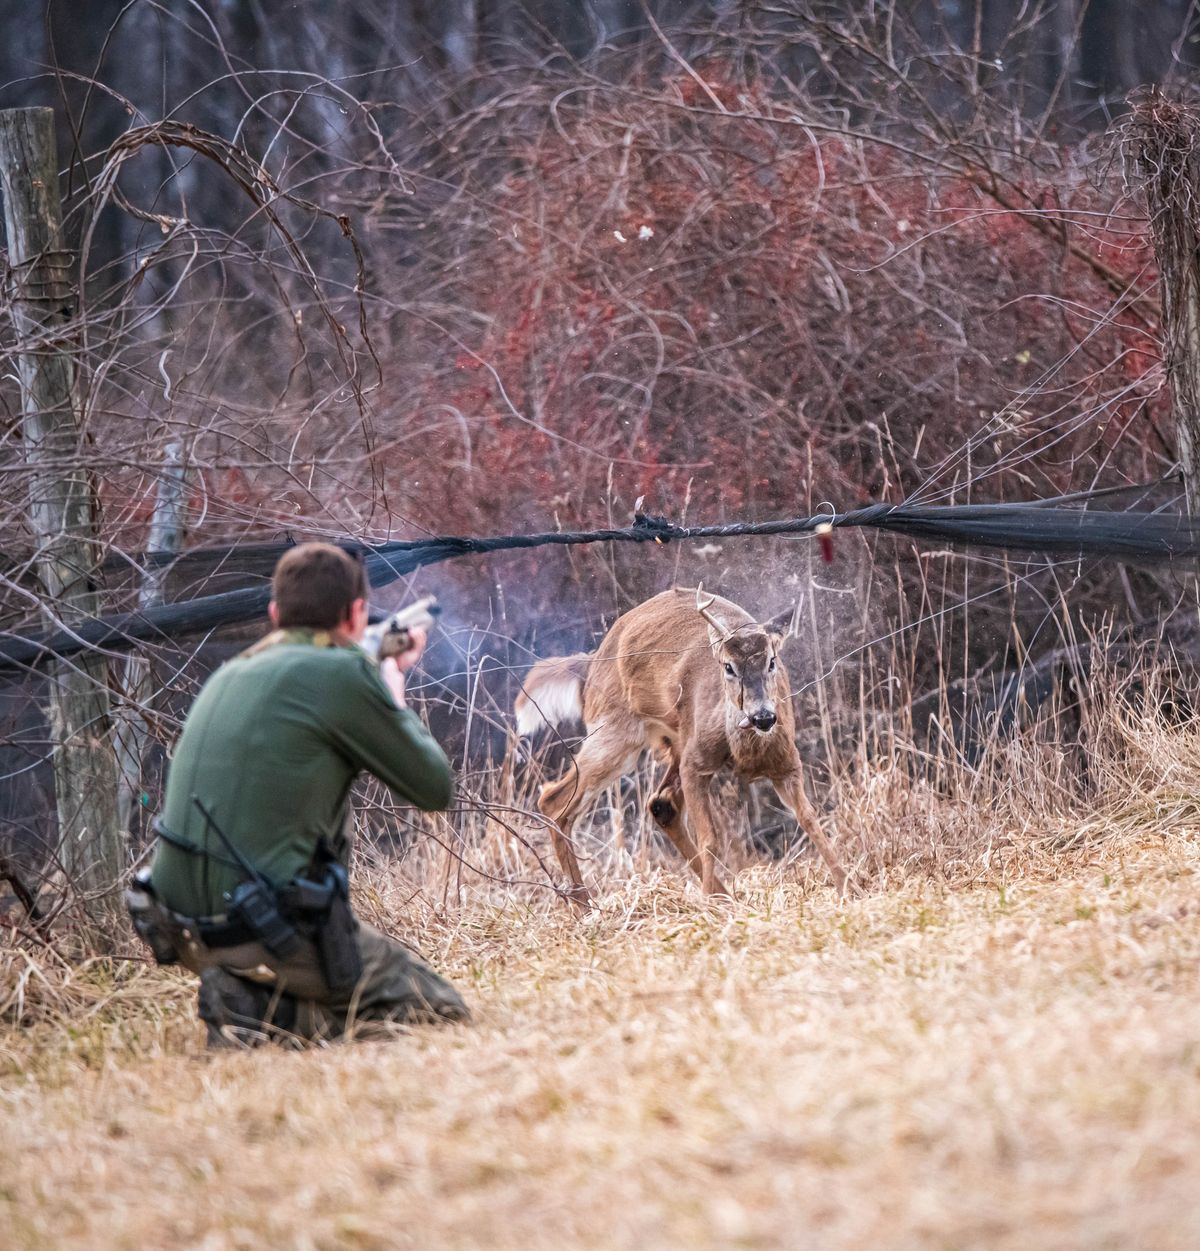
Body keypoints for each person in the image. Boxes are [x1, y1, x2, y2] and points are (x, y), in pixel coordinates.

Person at [128, 542, 469, 1047]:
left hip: (177, 924)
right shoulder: (342, 674)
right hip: (263, 927)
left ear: (273, 614)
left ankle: (244, 990)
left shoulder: (234, 672)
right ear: (355, 613)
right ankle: (261, 1013)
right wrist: (391, 682)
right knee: (439, 1009)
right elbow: (434, 788)